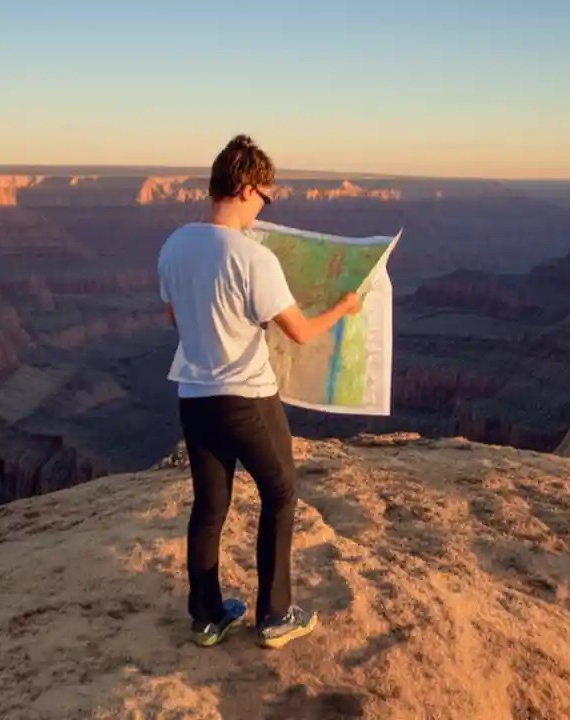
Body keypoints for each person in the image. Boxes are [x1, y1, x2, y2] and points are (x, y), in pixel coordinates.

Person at [157, 135, 361, 649]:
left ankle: (206, 617)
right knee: (280, 493)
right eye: (265, 198)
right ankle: (274, 615)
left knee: (210, 505)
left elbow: (174, 317)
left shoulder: (175, 244)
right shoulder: (253, 259)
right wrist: (344, 308)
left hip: (194, 396)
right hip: (247, 398)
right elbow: (299, 332)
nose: (262, 208)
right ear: (247, 188)